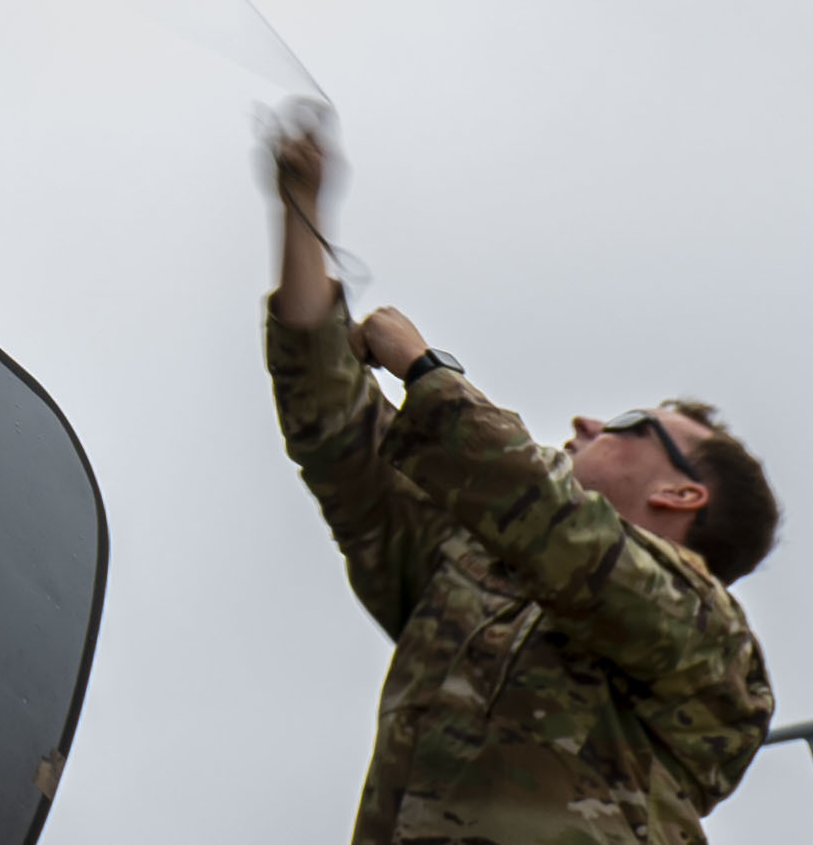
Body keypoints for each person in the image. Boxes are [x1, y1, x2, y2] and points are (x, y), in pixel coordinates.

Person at [266, 119, 779, 844]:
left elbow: (563, 532)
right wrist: (301, 214)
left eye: (631, 421)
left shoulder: (709, 639)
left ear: (681, 494)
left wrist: (426, 370)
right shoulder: (469, 573)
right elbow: (337, 431)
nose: (587, 422)